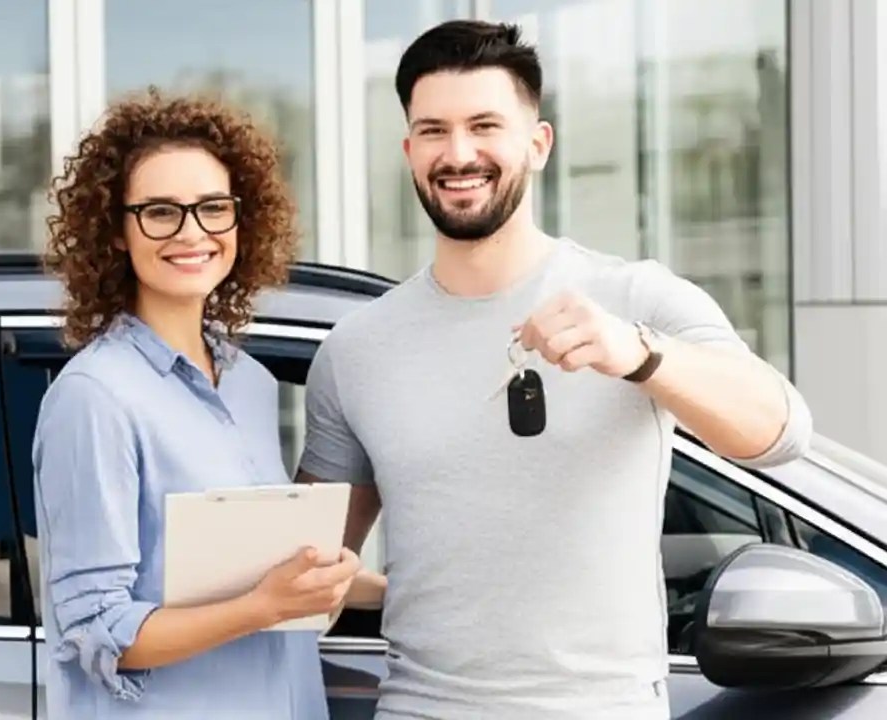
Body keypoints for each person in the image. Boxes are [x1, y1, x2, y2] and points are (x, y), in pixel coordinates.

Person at [297, 19, 813, 720]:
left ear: (538, 144)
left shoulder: (638, 300)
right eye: (434, 131)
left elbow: (780, 433)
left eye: (485, 126)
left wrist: (642, 355)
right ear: (410, 149)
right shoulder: (357, 348)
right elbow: (307, 572)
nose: (459, 153)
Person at [31, 89, 362, 719]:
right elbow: (97, 629)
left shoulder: (251, 384)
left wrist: (363, 584)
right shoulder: (94, 398)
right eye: (160, 212)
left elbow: (250, 571)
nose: (192, 233)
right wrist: (265, 607)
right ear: (117, 232)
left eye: (213, 208)